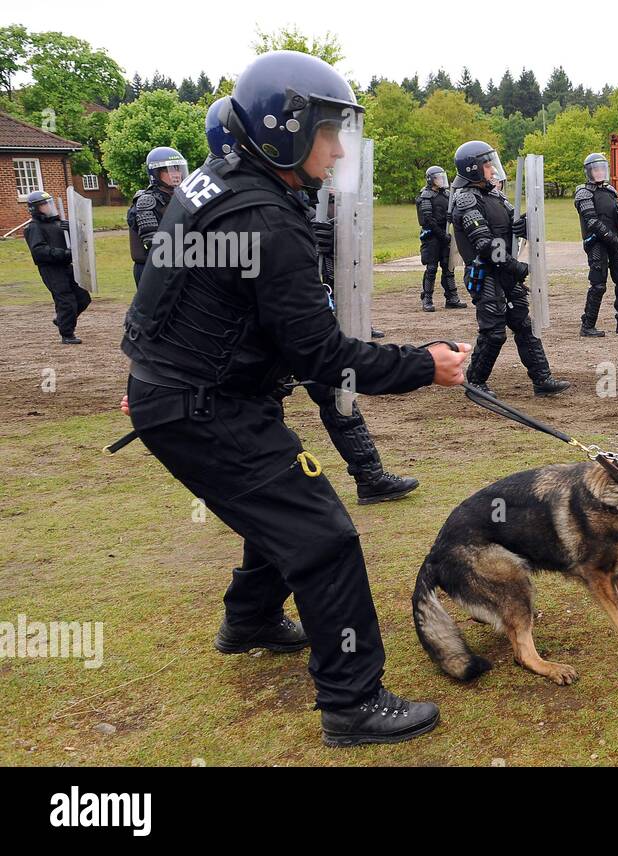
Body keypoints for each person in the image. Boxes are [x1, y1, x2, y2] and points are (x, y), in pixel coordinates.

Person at [120, 51, 470, 746]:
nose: (338, 147)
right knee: (324, 536)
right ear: (284, 128)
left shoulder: (215, 184)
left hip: (183, 395)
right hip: (204, 407)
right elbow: (322, 358)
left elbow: (230, 311)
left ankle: (248, 620)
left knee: (276, 507)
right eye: (327, 130)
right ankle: (353, 700)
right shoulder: (267, 221)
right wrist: (422, 365)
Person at [206, 96, 416, 504]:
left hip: (298, 319)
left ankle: (369, 475)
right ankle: (265, 488)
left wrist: (321, 246)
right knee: (267, 411)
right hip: (256, 348)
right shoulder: (231, 209)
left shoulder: (287, 195)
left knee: (334, 388)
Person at [449, 140, 570, 398]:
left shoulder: (496, 195)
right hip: (485, 273)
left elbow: (514, 222)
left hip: (506, 272)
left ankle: (542, 379)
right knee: (493, 332)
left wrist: (522, 224)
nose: (492, 168)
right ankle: (475, 383)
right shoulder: (466, 199)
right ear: (472, 168)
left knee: (523, 325)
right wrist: (515, 265)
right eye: (487, 163)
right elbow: (483, 244)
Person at [575, 152, 618, 336]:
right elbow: (593, 222)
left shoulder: (611, 191)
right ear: (589, 171)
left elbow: (617, 220)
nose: (599, 172)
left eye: (602, 168)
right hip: (597, 243)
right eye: (595, 169)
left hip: (614, 243)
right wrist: (615, 240)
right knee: (598, 285)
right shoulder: (583, 193)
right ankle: (587, 326)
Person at [23, 190, 90, 344]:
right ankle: (67, 334)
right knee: (66, 300)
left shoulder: (57, 223)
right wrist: (64, 253)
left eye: (49, 203)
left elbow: (77, 242)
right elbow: (39, 251)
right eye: (43, 204)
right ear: (35, 208)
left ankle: (61, 319)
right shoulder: (34, 227)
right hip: (51, 269)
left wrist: (72, 230)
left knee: (82, 298)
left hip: (66, 266)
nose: (48, 207)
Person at [127, 147, 187, 286]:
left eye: (178, 169)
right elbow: (153, 244)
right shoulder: (146, 201)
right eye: (169, 170)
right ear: (156, 173)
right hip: (151, 268)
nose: (176, 174)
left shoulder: (179, 198)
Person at [417, 165, 465, 311]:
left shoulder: (446, 194)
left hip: (445, 236)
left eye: (442, 177)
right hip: (432, 237)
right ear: (431, 180)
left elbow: (452, 209)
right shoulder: (425, 195)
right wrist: (441, 234)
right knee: (431, 268)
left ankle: (452, 298)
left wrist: (451, 216)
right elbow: (428, 219)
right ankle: (427, 299)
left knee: (448, 267)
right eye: (438, 177)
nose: (441, 180)